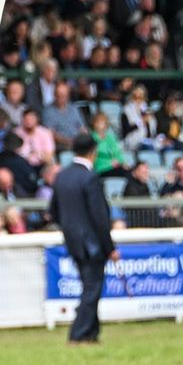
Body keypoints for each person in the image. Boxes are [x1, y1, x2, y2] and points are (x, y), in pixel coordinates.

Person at [49, 134, 118, 346]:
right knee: (92, 289)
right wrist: (110, 247)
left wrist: (69, 230)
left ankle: (91, 332)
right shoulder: (89, 178)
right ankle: (78, 333)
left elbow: (53, 211)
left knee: (89, 287)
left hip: (72, 242)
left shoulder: (62, 176)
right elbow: (99, 217)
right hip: (92, 244)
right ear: (93, 152)